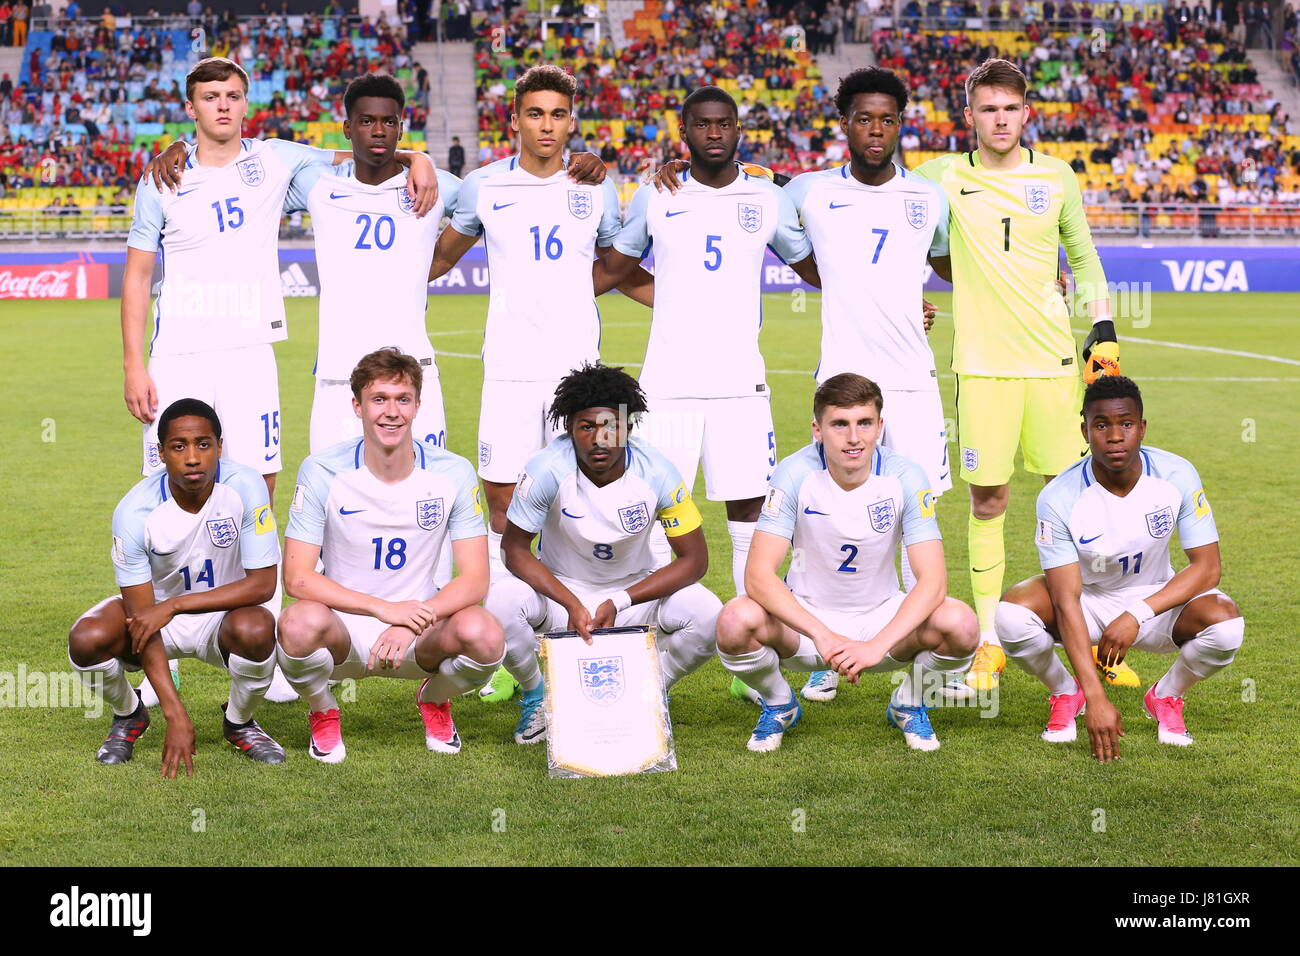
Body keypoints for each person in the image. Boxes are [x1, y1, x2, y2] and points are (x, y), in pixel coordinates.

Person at [125, 58, 437, 704]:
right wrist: (134, 364)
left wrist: (418, 156)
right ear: (191, 106)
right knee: (166, 496)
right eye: (210, 96)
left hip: (250, 352)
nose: (223, 105)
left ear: (247, 103)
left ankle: (257, 645)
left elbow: (362, 151)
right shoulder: (162, 178)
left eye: (233, 95)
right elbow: (136, 275)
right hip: (179, 354)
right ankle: (164, 648)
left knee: (259, 489)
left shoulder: (276, 161)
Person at [914, 58, 1126, 693]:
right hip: (982, 369)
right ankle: (987, 640)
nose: (1000, 120)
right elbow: (872, 194)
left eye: (1010, 108)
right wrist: (768, 178)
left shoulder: (1056, 175)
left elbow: (1083, 256)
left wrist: (1104, 331)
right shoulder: (941, 176)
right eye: (988, 109)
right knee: (989, 500)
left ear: (1026, 113)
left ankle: (1093, 635)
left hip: (1052, 364)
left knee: (1071, 501)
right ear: (970, 115)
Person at [592, 86, 820, 602]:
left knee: (749, 514)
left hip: (740, 386)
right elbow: (615, 269)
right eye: (702, 124)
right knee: (652, 512)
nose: (713, 133)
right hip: (667, 387)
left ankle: (749, 637)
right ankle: (647, 638)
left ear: (739, 129)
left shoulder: (767, 197)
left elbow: (813, 268)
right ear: (684, 132)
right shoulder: (656, 195)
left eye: (723, 124)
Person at [428, 64, 647, 584]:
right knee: (502, 499)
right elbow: (440, 258)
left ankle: (575, 610)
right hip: (508, 369)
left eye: (557, 114)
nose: (546, 125)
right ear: (514, 121)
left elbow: (616, 267)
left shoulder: (596, 188)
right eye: (534, 114)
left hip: (579, 373)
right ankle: (507, 615)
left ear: (571, 122)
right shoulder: (483, 185)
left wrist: (681, 302)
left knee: (582, 495)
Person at [781, 68, 952, 702]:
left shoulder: (929, 197)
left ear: (900, 123)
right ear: (844, 124)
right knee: (825, 515)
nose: (874, 130)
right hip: (843, 384)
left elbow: (949, 264)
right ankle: (829, 649)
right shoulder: (807, 191)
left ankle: (908, 676)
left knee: (918, 516)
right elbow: (739, 187)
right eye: (862, 118)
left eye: (886, 119)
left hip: (912, 383)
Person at [715, 373, 978, 752]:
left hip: (881, 618)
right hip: (807, 624)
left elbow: (933, 582)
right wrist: (823, 635)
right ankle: (779, 703)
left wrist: (876, 645)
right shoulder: (794, 473)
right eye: (839, 424)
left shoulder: (905, 476)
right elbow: (758, 576)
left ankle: (909, 703)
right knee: (734, 619)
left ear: (880, 426)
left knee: (961, 623)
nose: (854, 437)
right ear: (817, 430)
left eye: (864, 423)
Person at [996, 376, 1244, 760]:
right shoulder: (1058, 497)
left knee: (1226, 625)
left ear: (1142, 428)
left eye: (1126, 424)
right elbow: (1065, 599)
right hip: (1088, 602)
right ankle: (1067, 692)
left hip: (1155, 599)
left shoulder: (1176, 474)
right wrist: (1096, 695)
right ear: (1085, 432)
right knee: (1011, 616)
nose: (1114, 436)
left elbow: (1207, 568)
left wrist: (1136, 614)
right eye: (1101, 425)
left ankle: (1165, 696)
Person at [276, 349, 504, 762]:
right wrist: (383, 610)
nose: (392, 412)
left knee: (485, 634)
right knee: (295, 623)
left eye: (403, 399)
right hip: (344, 631)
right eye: (379, 399)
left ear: (417, 405)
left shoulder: (452, 472)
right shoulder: (322, 470)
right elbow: (297, 578)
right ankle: (323, 708)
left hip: (422, 630)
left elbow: (475, 579)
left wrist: (412, 618)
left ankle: (434, 698)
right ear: (357, 406)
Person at [485, 363, 721, 745]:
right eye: (586, 427)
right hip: (561, 595)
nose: (599, 439)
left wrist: (620, 600)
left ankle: (647, 693)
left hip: (632, 595)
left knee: (708, 614)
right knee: (500, 602)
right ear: (569, 429)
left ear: (628, 428)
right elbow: (513, 550)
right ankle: (537, 695)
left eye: (611, 426)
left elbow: (695, 560)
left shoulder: (658, 472)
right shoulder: (546, 469)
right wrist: (571, 602)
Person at [68, 399, 285, 776]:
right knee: (87, 638)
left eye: (203, 444)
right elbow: (142, 617)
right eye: (179, 446)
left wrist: (175, 605)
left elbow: (263, 585)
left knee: (257, 628)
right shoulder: (134, 512)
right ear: (161, 453)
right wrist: (175, 713)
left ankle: (239, 722)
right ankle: (129, 714)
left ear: (220, 446)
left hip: (222, 617)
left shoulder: (246, 486)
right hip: (155, 619)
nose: (193, 458)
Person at [289, 73, 461, 456]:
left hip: (414, 373)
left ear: (401, 127)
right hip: (338, 374)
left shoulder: (435, 186)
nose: (379, 131)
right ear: (347, 129)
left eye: (389, 122)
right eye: (366, 121)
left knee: (425, 486)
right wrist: (415, 156)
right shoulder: (318, 184)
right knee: (331, 489)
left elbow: (486, 206)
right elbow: (262, 159)